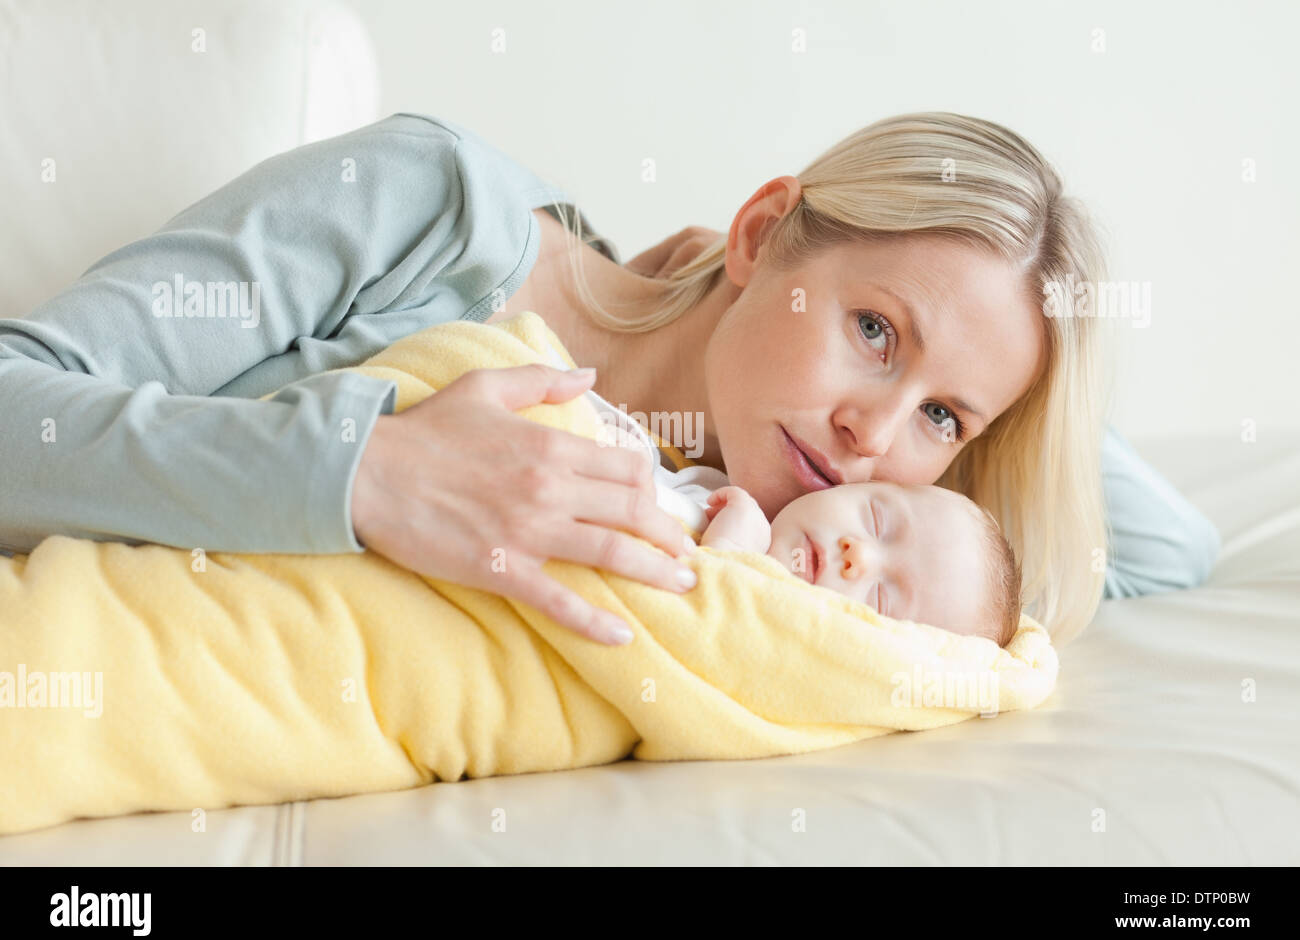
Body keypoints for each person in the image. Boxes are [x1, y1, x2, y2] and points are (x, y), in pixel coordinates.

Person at [0, 111, 1219, 646]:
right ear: (759, 234)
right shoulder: (431, 212)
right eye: (877, 332)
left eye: (943, 415)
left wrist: (1015, 343)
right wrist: (366, 470)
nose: (869, 432)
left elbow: (1168, 551)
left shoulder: (782, 545)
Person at [701, 480, 1023, 648]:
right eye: (876, 520)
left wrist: (728, 549)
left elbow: (696, 625)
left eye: (879, 600)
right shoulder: (710, 483)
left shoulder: (762, 632)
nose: (858, 556)